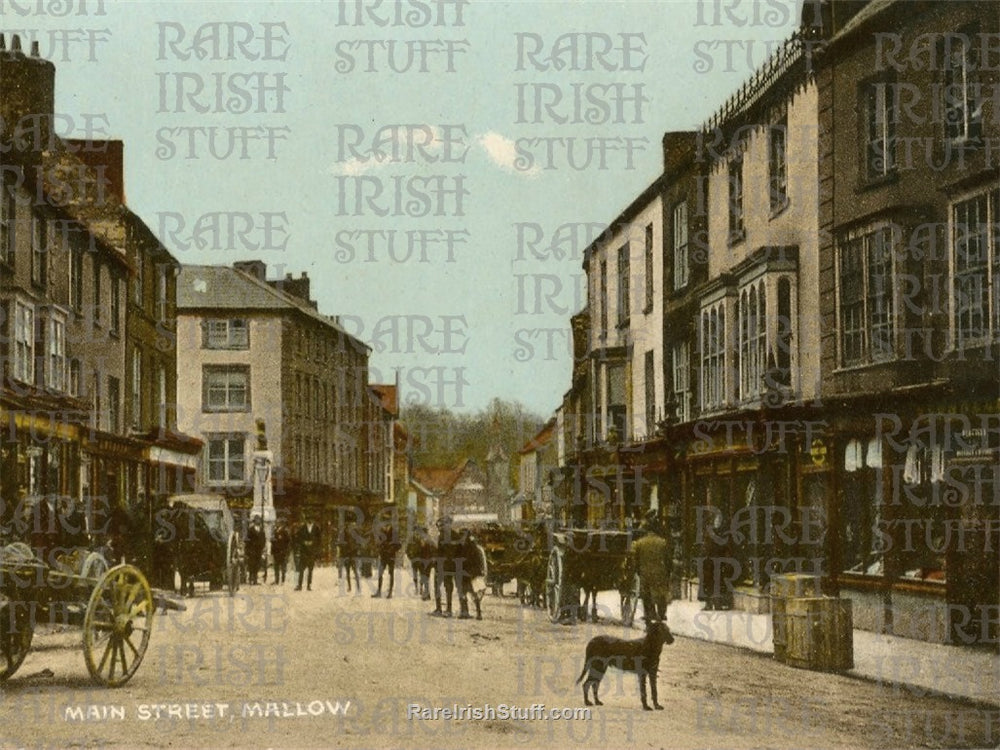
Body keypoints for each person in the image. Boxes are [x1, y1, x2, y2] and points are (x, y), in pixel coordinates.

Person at [630, 512, 672, 623]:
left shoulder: (639, 543)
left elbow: (635, 561)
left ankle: (649, 614)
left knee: (646, 595)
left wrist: (638, 571)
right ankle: (661, 614)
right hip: (660, 573)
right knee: (661, 594)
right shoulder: (662, 542)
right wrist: (668, 572)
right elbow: (668, 560)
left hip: (645, 573)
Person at [431, 516, 459, 617]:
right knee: (447, 587)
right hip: (450, 565)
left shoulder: (443, 535)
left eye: (441, 525)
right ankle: (447, 609)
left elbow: (440, 551)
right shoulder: (455, 535)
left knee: (439, 586)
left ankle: (440, 609)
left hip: (444, 565)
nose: (440, 528)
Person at [456, 531, 485, 620]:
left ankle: (478, 613)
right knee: (462, 593)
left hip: (472, 574)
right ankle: (464, 611)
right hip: (463, 573)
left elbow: (479, 561)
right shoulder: (460, 547)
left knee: (475, 593)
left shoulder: (473, 547)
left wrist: (476, 572)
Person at [372, 518, 402, 598]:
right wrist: (380, 547)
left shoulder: (394, 533)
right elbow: (378, 543)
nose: (384, 526)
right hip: (383, 556)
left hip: (391, 556)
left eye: (386, 525)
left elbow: (399, 545)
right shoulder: (381, 533)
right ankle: (379, 591)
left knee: (391, 574)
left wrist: (392, 548)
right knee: (380, 573)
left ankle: (390, 592)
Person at [294, 512, 321, 591]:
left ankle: (309, 585)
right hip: (304, 551)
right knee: (301, 569)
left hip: (312, 552)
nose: (310, 521)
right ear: (306, 520)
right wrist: (304, 542)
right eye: (308, 519)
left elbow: (319, 540)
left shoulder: (316, 528)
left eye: (311, 519)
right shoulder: (302, 528)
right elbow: (298, 538)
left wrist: (313, 543)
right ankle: (299, 585)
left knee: (310, 569)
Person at [339, 521, 362, 593]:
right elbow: (340, 544)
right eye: (349, 525)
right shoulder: (343, 534)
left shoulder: (355, 533)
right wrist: (342, 554)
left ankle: (358, 586)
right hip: (346, 554)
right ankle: (349, 586)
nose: (351, 526)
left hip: (353, 554)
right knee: (348, 571)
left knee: (355, 571)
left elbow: (359, 543)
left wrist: (356, 550)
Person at [245, 515, 266, 585]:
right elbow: (247, 540)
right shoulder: (250, 529)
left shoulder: (262, 530)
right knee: (251, 564)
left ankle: (255, 579)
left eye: (259, 520)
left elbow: (264, 539)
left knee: (257, 564)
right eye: (257, 520)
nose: (258, 521)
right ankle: (250, 578)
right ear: (254, 521)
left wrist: (263, 547)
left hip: (258, 550)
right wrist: (247, 549)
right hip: (252, 549)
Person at [271, 519, 291, 585]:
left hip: (282, 551)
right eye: (276, 523)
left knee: (283, 567)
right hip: (276, 551)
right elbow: (273, 540)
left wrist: (285, 550)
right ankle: (276, 580)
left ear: (281, 524)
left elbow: (288, 541)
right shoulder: (275, 530)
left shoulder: (284, 531)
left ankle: (283, 580)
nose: (277, 524)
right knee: (276, 566)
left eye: (278, 523)